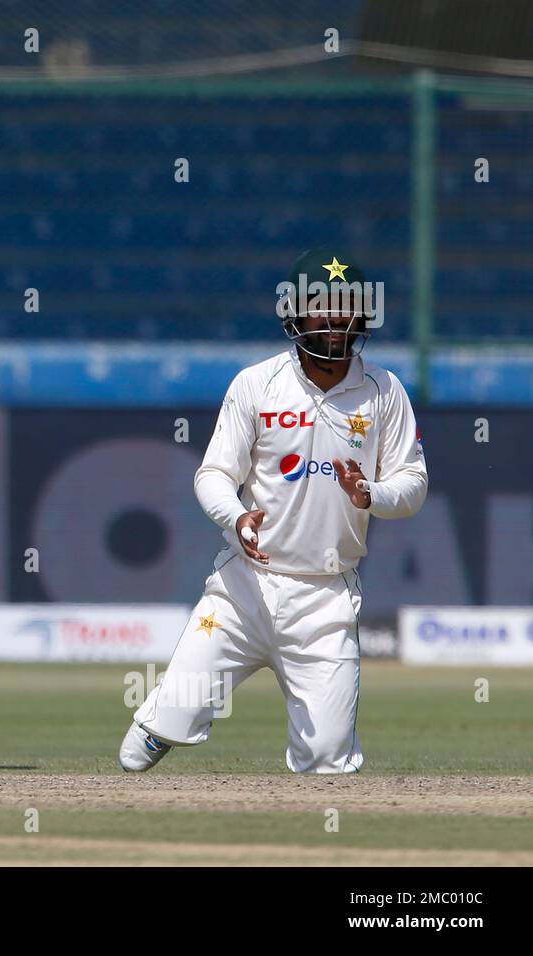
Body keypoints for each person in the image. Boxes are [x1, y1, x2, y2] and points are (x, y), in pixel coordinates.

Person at [119, 247, 427, 774]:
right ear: (294, 313)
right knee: (138, 752)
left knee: (330, 761)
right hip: (244, 590)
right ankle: (163, 725)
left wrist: (370, 494)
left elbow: (413, 485)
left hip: (326, 598)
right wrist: (235, 518)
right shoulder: (256, 384)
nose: (334, 319)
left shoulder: (384, 391)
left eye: (346, 306)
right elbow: (213, 474)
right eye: (321, 306)